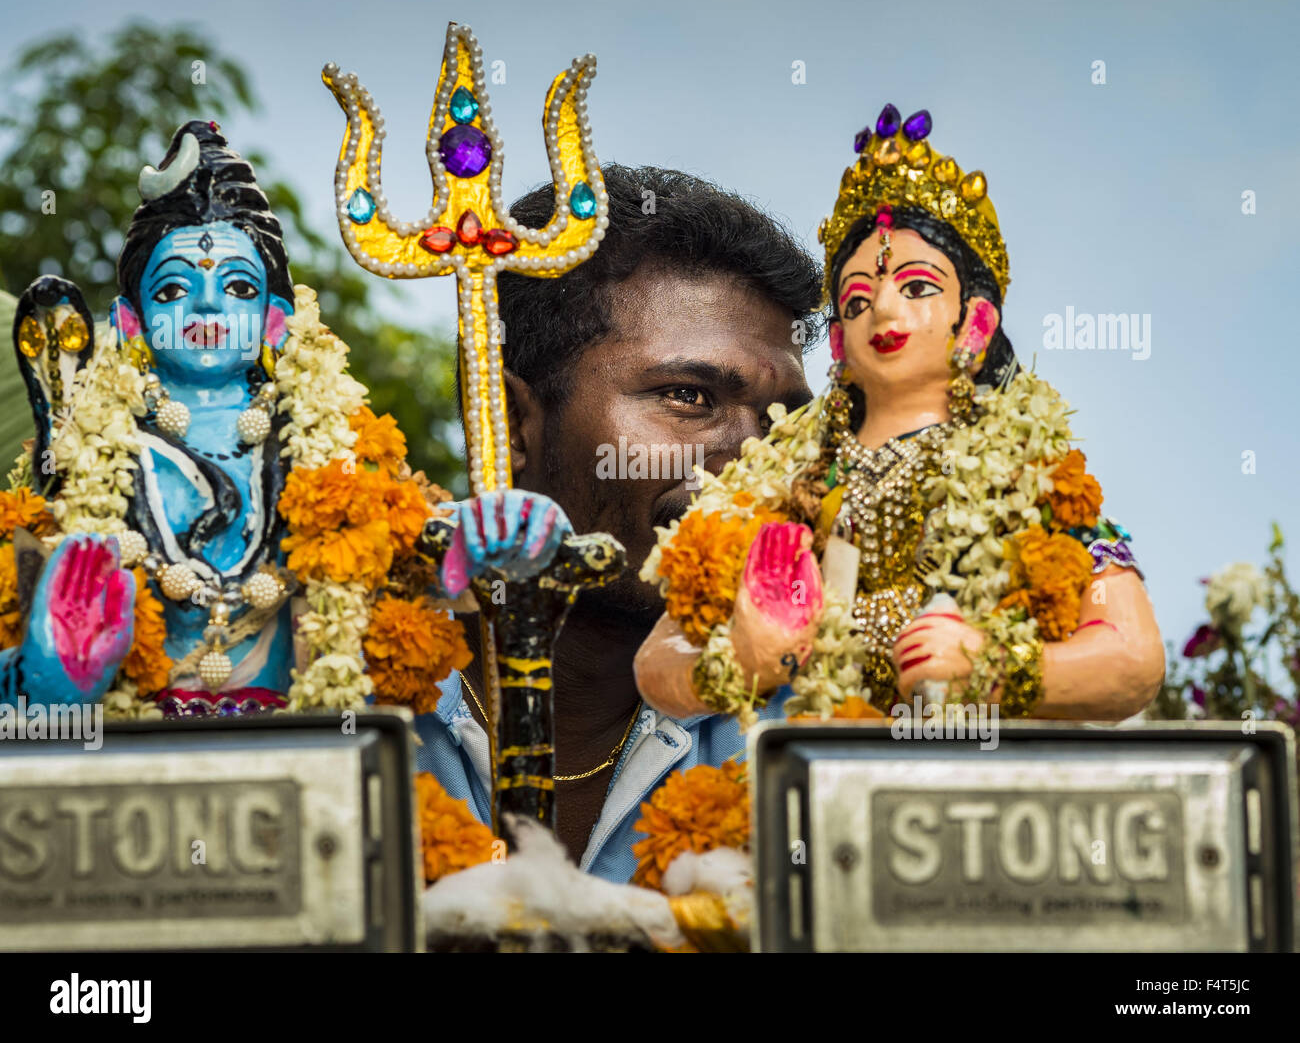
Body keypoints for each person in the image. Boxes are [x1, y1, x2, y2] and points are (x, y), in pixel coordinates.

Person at [0, 121, 570, 717]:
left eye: (238, 285)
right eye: (172, 289)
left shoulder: (326, 445)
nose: (208, 305)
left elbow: (414, 562)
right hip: (130, 777)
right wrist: (44, 681)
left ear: (276, 319)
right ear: (129, 320)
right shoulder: (80, 458)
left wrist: (495, 529)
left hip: (304, 765)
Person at [635, 104, 1164, 728]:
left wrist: (988, 666)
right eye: (858, 297)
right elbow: (657, 664)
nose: (884, 310)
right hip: (823, 777)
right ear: (837, 343)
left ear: (977, 322)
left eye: (916, 287)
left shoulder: (1034, 481)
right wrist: (747, 655)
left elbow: (1133, 659)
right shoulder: (779, 481)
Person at [414, 165, 824, 875]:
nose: (759, 462)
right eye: (690, 396)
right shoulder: (319, 653)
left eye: (786, 421)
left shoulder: (817, 706)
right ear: (508, 422)